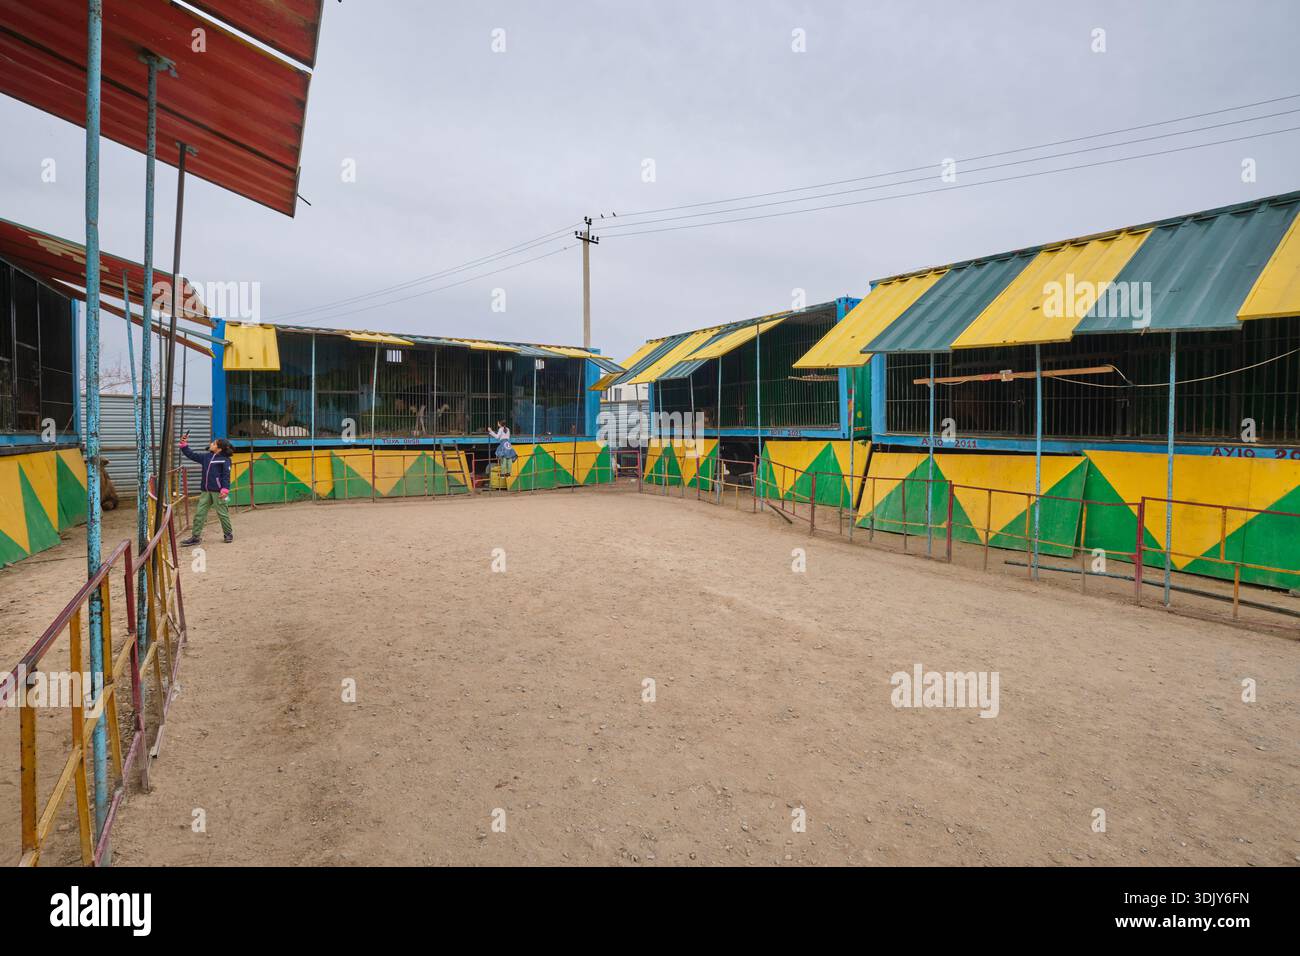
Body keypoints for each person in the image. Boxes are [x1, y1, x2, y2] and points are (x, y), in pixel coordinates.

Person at [178, 432, 235, 545]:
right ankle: (195, 537)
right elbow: (191, 455)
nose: (211, 444)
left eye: (214, 443)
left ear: (219, 448)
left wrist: (224, 490)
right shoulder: (206, 457)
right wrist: (184, 444)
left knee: (222, 513)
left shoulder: (225, 459)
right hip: (205, 491)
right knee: (199, 513)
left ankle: (228, 533)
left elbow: (226, 476)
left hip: (218, 492)